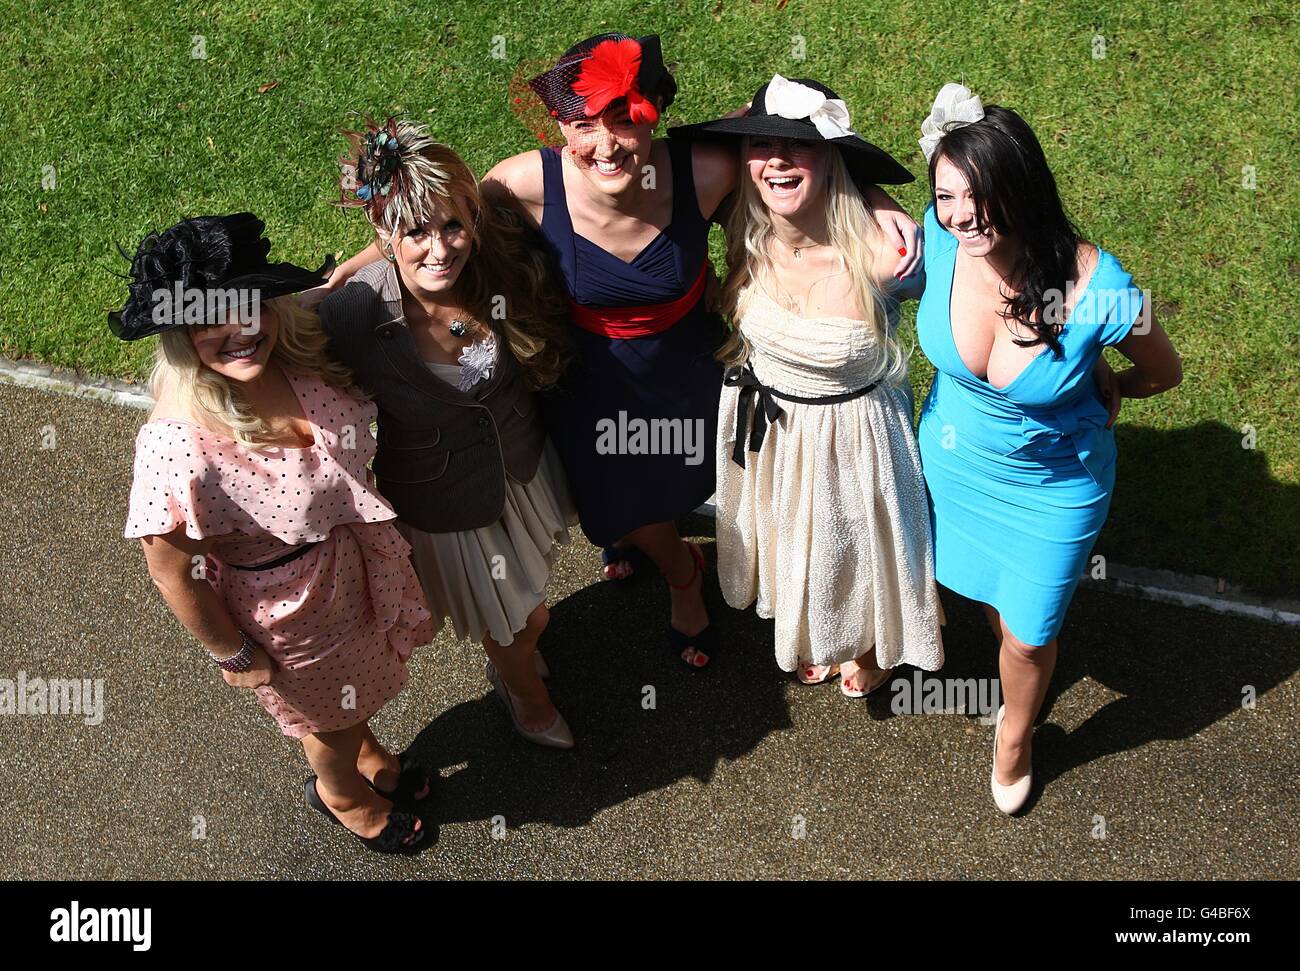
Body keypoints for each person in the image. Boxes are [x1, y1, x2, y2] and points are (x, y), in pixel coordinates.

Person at [114, 213, 435, 853]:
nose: (239, 330)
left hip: (351, 569)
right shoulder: (178, 449)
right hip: (289, 613)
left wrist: (397, 225)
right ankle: (342, 796)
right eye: (209, 317)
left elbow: (347, 280)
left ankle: (364, 750)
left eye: (248, 303)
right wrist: (232, 654)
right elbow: (169, 572)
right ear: (178, 331)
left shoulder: (292, 340)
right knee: (328, 721)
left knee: (351, 699)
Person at [913, 84, 1183, 813]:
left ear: (1024, 188)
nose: (962, 216)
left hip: (1052, 489)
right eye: (946, 196)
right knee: (991, 607)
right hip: (953, 465)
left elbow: (1165, 369)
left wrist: (1115, 384)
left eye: (980, 196)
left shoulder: (1103, 286)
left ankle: (1016, 737)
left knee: (1031, 638)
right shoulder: (941, 239)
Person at [670, 75, 944, 694]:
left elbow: (989, 283)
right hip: (769, 430)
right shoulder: (743, 225)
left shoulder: (888, 255)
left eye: (801, 146)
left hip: (856, 441)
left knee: (854, 549)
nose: (777, 161)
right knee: (796, 538)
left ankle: (868, 645)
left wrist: (875, 199)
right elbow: (651, 167)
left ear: (833, 157)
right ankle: (819, 625)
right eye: (760, 145)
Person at [320, 119, 578, 748]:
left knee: (532, 606)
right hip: (448, 507)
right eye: (414, 232)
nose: (439, 249)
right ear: (385, 234)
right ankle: (526, 695)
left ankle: (514, 657)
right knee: (513, 624)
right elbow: (262, 347)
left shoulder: (499, 262)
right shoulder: (353, 315)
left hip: (522, 470)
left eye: (452, 226)